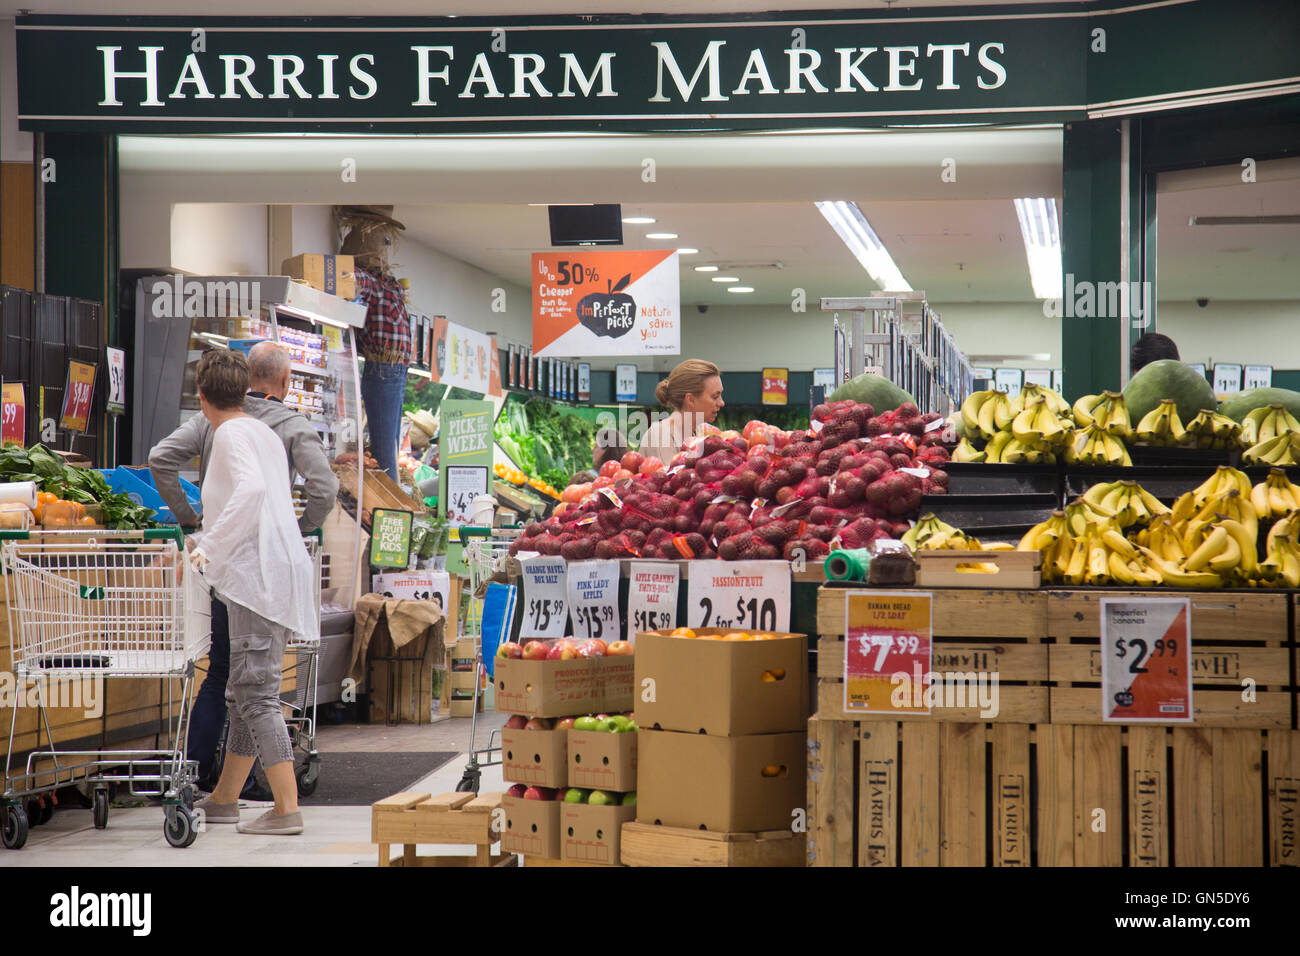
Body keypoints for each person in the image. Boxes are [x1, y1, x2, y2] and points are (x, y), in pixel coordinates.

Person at [150, 341, 338, 795]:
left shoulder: (218, 425)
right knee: (253, 689)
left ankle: (202, 775)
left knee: (229, 679)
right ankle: (243, 795)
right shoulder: (287, 426)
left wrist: (192, 523)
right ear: (286, 382)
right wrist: (300, 527)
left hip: (233, 572)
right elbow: (324, 488)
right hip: (261, 572)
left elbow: (161, 458)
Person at [186, 349, 318, 835]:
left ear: (201, 396)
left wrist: (208, 544)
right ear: (244, 389)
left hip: (254, 578)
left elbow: (252, 491)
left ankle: (287, 808)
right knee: (244, 692)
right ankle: (225, 797)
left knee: (257, 696)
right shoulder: (261, 430)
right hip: (272, 575)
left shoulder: (228, 435)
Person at [340, 206, 411, 481]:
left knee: (388, 442)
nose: (385, 248)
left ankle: (389, 497)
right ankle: (388, 502)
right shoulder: (368, 280)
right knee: (385, 447)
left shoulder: (384, 281)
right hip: (384, 368)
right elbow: (349, 280)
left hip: (393, 369)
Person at [638, 360, 725, 464]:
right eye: (715, 396)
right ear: (691, 400)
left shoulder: (703, 432)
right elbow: (671, 479)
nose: (722, 403)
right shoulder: (661, 435)